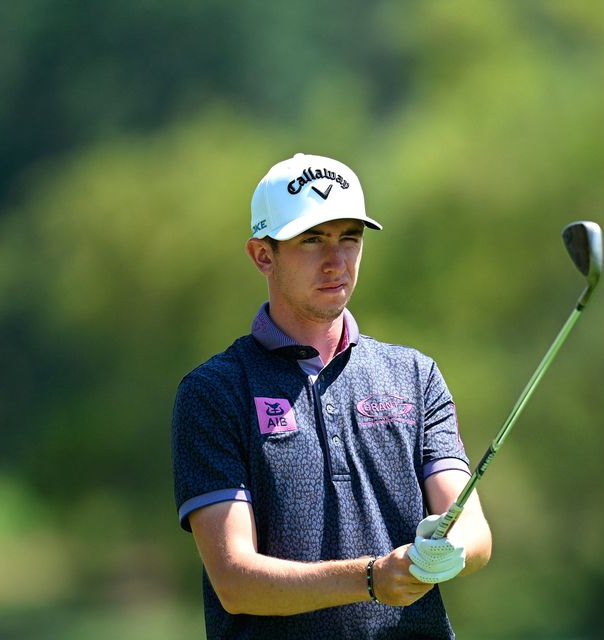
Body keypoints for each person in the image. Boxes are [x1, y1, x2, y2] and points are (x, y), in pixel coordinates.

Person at [171, 153, 492, 639]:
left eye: (350, 238)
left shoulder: (415, 375)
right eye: (312, 240)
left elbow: (475, 532)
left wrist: (446, 551)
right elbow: (235, 580)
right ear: (263, 255)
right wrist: (370, 578)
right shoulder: (215, 391)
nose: (336, 261)